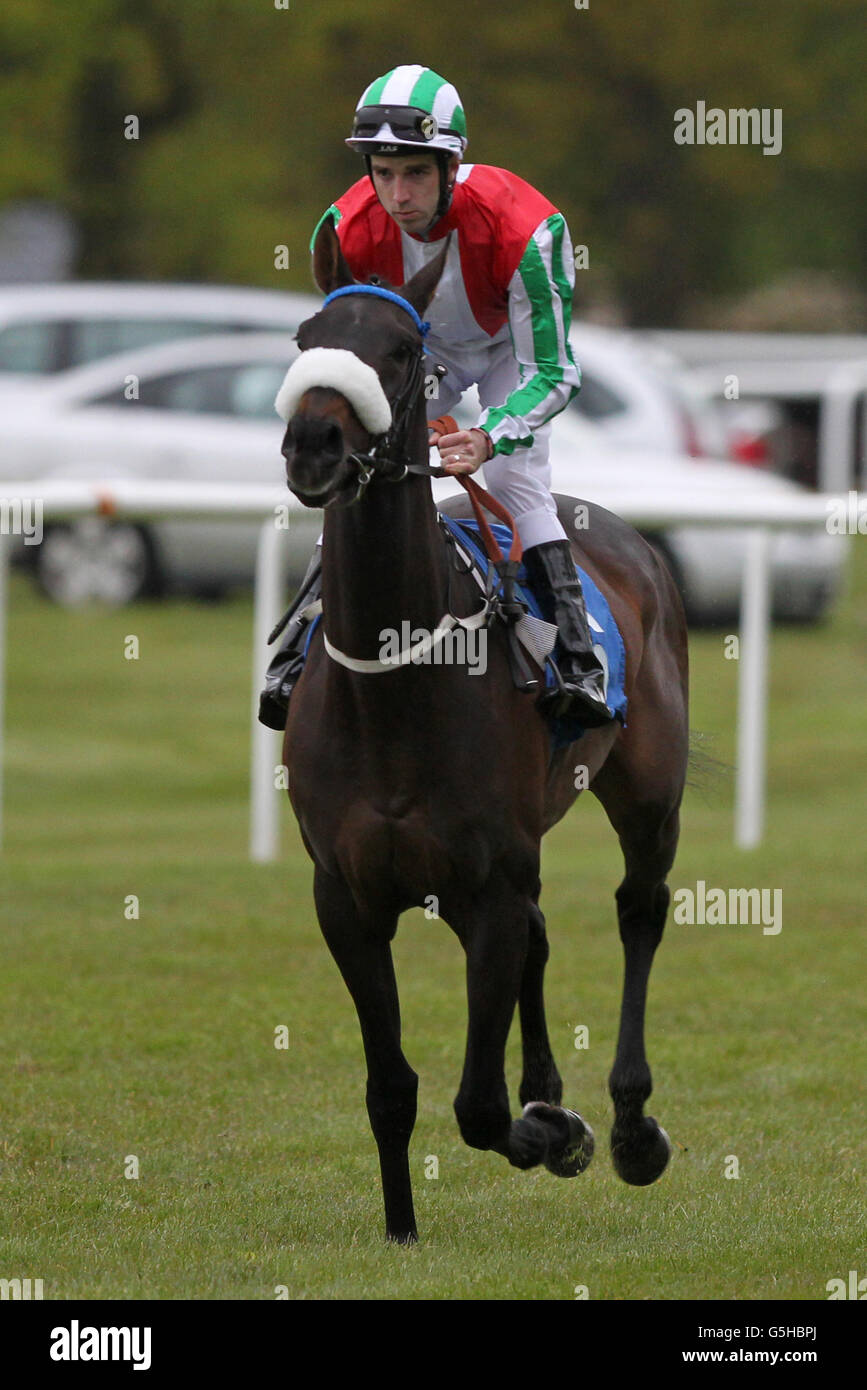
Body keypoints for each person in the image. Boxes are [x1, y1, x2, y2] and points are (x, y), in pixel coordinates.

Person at [259, 64, 613, 730]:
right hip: (423, 354)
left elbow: (556, 370)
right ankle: (299, 642)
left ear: (452, 166)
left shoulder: (530, 232)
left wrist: (486, 436)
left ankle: (575, 654)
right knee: (353, 464)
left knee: (514, 478)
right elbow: (353, 346)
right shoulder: (343, 230)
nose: (397, 194)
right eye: (383, 172)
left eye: (416, 173)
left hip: (512, 350)